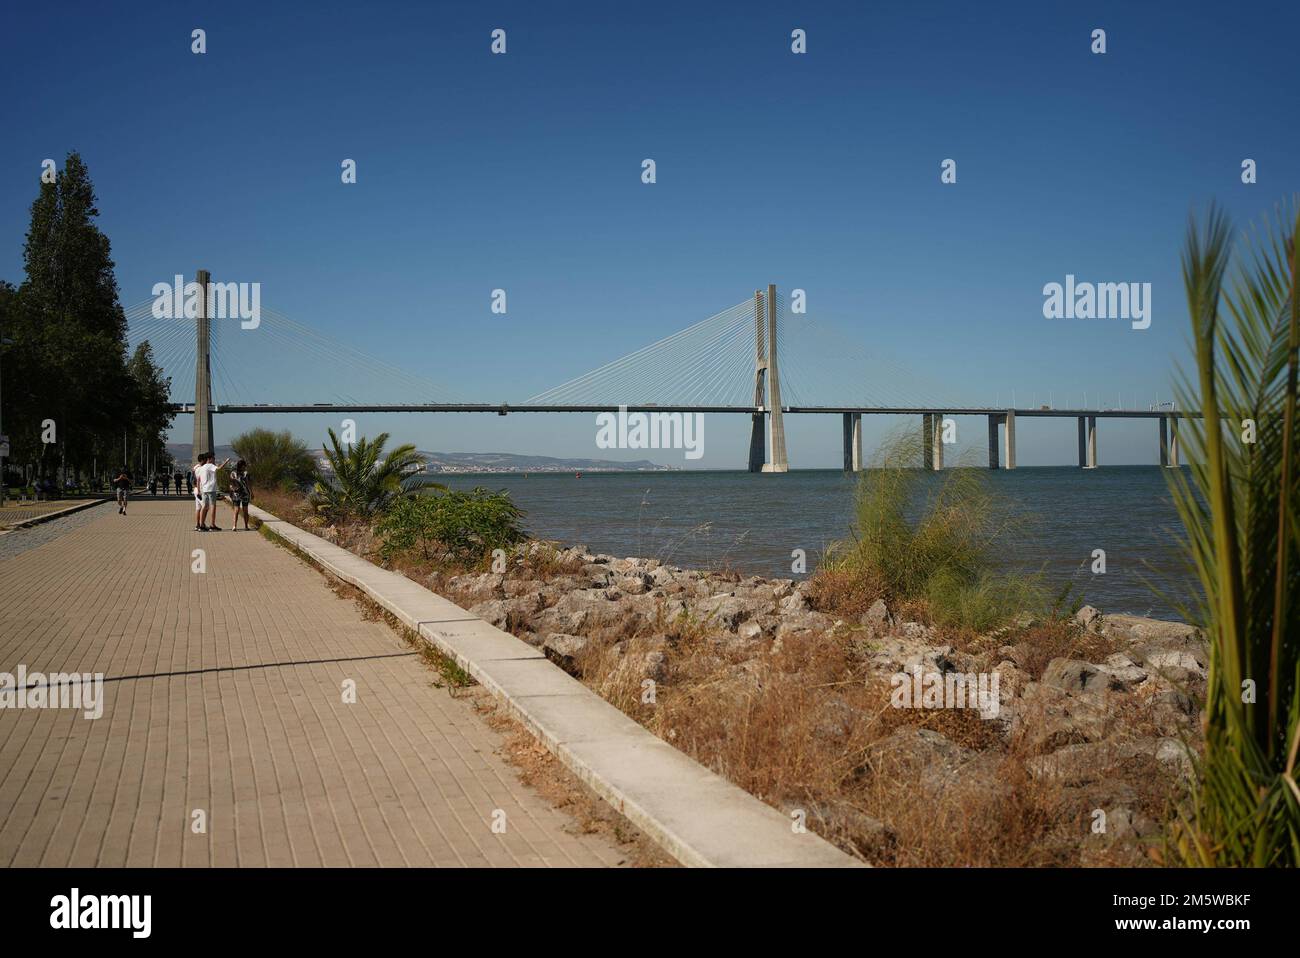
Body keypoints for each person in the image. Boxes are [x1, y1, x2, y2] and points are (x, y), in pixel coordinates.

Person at [194, 451, 231, 531]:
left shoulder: (201, 467)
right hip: (211, 489)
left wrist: (199, 490)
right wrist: (226, 461)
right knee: (213, 506)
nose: (214, 459)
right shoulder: (210, 465)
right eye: (213, 458)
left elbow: (198, 479)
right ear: (209, 459)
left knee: (204, 507)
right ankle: (212, 525)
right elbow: (219, 468)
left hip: (204, 489)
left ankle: (201, 525)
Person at [228, 459, 252, 530]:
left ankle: (235, 526)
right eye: (244, 466)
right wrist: (251, 492)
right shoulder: (245, 473)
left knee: (237, 510)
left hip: (237, 494)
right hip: (244, 494)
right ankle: (245, 526)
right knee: (244, 510)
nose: (245, 467)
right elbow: (248, 484)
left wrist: (231, 490)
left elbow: (231, 484)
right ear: (242, 466)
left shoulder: (233, 473)